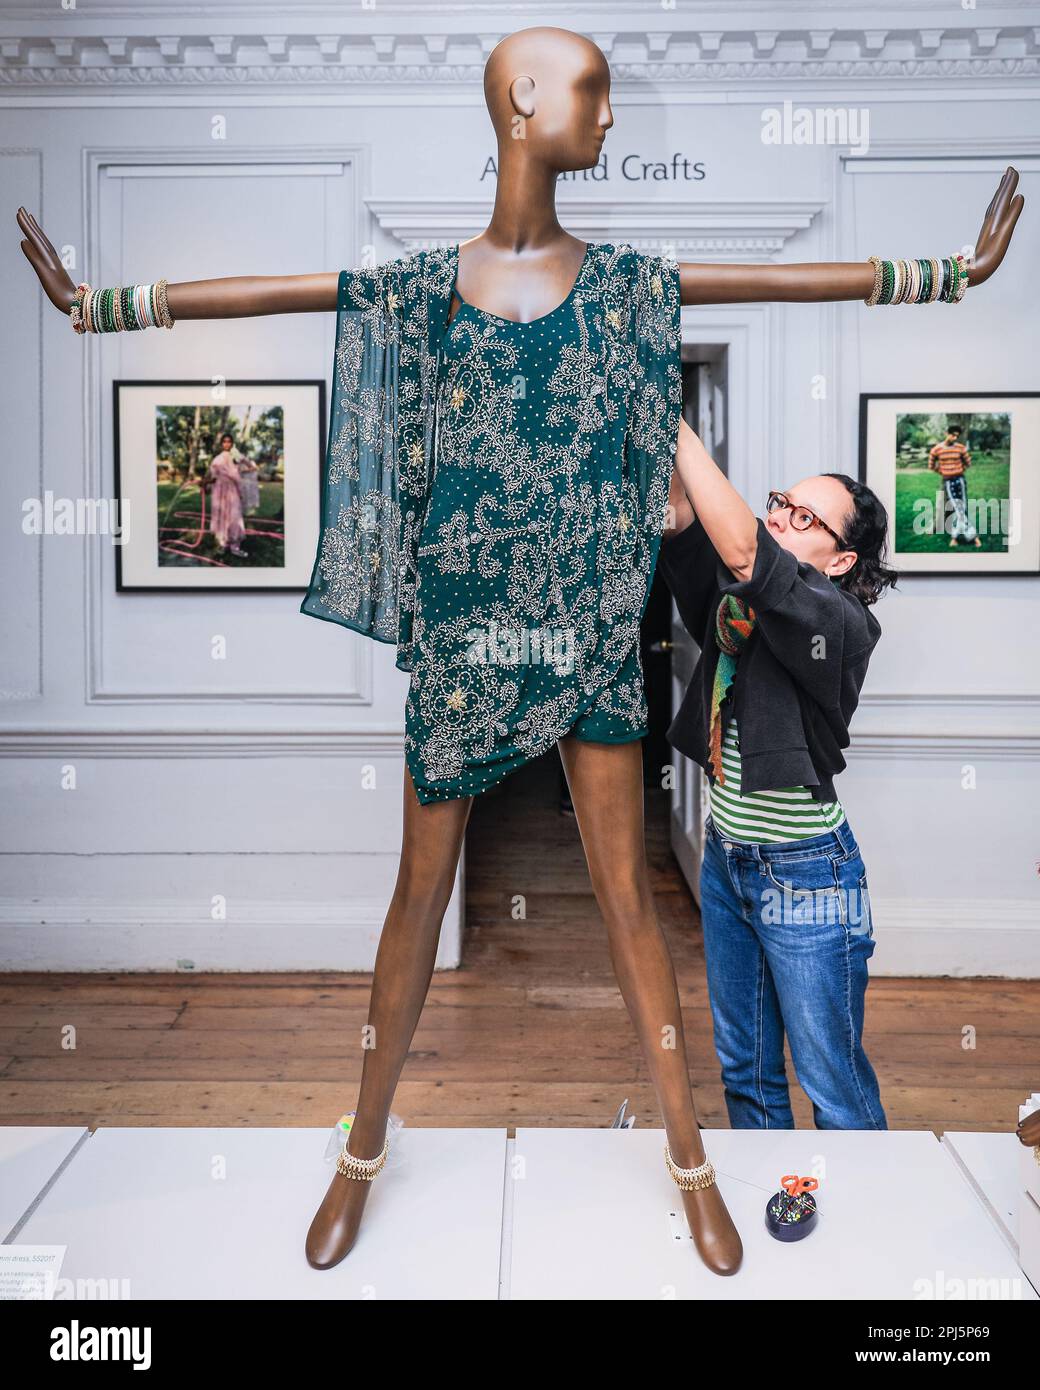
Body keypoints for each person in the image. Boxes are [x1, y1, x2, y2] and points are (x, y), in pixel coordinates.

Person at [660, 416, 897, 1130]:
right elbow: (684, 529)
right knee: (746, 1067)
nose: (780, 520)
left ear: (841, 561)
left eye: (805, 518)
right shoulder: (741, 606)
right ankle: (779, 1203)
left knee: (833, 1080)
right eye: (780, 504)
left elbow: (743, 549)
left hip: (807, 874)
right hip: (728, 860)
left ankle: (866, 1228)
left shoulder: (840, 622)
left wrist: (670, 413)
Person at [929, 423, 980, 547]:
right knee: (942, 505)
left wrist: (958, 470)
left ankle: (960, 536)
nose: (955, 438)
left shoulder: (961, 448)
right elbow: (931, 465)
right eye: (953, 435)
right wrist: (944, 472)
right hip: (946, 481)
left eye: (957, 436)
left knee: (961, 507)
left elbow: (968, 462)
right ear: (947, 434)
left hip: (959, 480)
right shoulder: (937, 449)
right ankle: (937, 527)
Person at [204, 432, 247, 557]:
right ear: (221, 443)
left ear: (232, 443)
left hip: (232, 490)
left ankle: (235, 546)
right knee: (223, 516)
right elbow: (213, 477)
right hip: (220, 491)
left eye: (229, 441)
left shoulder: (236, 457)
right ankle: (223, 544)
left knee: (234, 516)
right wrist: (205, 483)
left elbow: (241, 473)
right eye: (224, 441)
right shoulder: (217, 459)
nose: (227, 443)